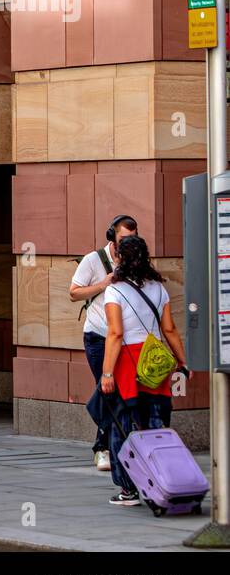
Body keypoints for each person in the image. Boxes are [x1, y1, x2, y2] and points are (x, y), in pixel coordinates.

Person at [99, 234, 190, 507]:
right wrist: (183, 362)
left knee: (123, 427)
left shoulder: (114, 291)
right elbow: (169, 329)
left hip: (127, 362)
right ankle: (160, 481)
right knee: (155, 424)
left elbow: (115, 333)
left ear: (120, 258)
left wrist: (106, 373)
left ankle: (128, 490)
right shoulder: (158, 288)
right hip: (154, 361)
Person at [69, 214, 137, 471]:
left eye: (133, 239)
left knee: (118, 391)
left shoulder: (135, 260)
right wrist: (102, 283)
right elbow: (73, 293)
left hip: (125, 337)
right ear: (112, 237)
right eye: (123, 239)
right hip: (98, 336)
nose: (128, 244)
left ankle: (110, 444)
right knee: (107, 388)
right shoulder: (93, 260)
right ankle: (102, 447)